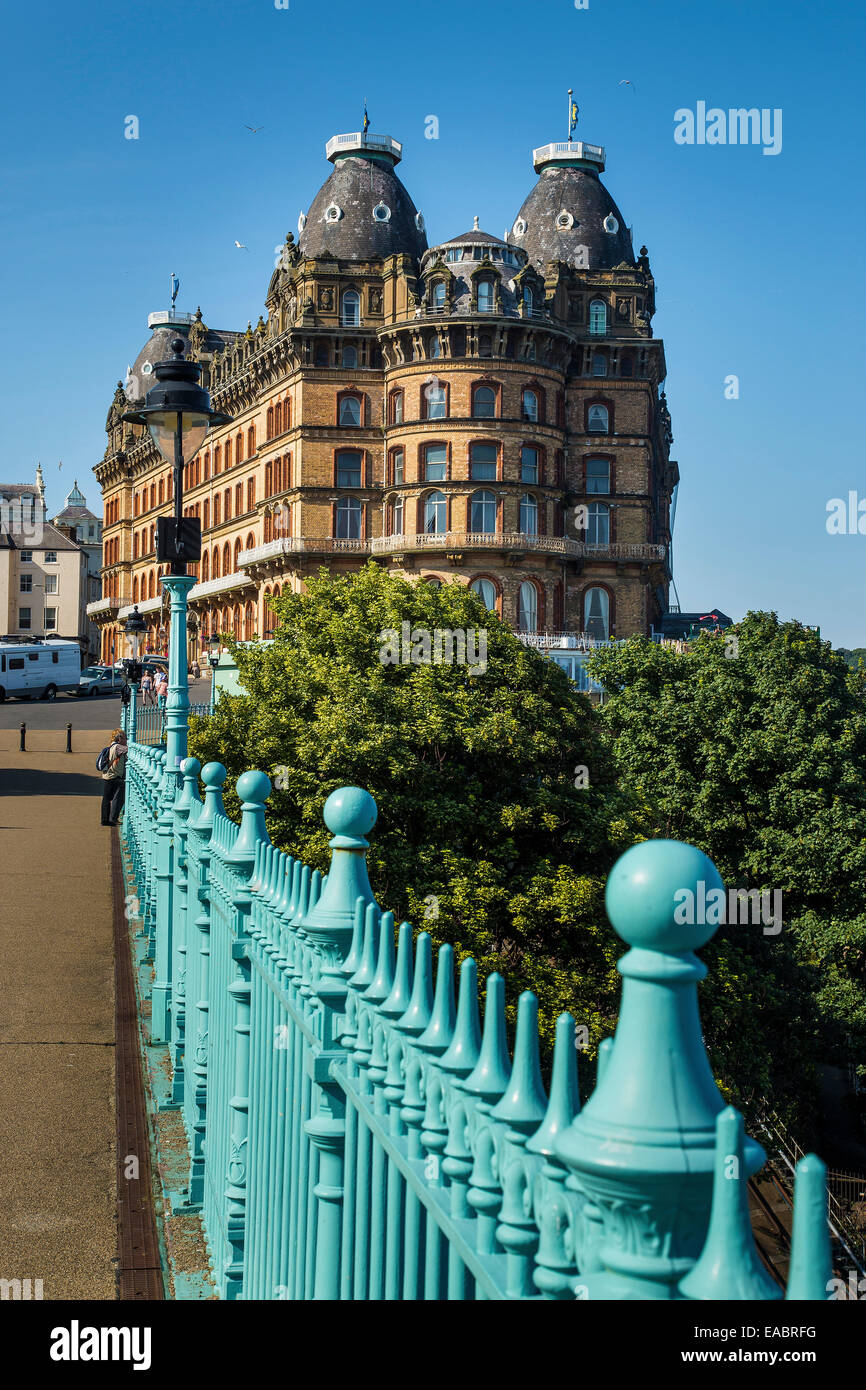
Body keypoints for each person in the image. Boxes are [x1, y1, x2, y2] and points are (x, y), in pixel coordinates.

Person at [100, 729, 127, 826]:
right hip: (114, 775)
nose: (126, 740)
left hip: (107, 775)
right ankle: (112, 819)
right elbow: (130, 750)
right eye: (125, 738)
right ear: (119, 738)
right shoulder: (118, 747)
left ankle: (105, 820)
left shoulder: (111, 746)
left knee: (106, 799)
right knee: (119, 797)